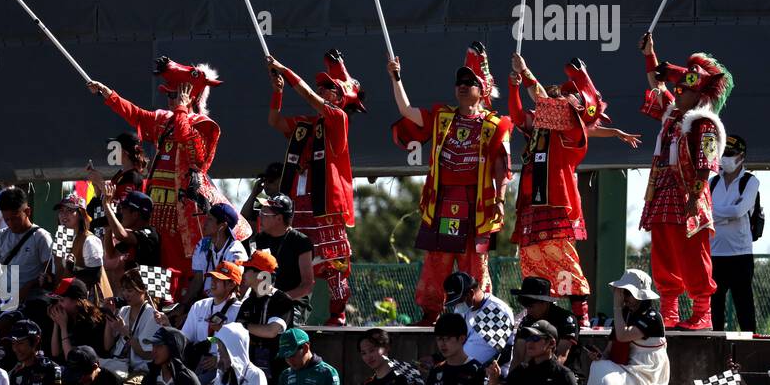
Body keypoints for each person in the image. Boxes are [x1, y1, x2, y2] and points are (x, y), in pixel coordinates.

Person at [89, 56, 247, 288]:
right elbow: (137, 115)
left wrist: (183, 107)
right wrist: (108, 95)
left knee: (183, 264)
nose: (170, 100)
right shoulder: (165, 120)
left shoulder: (204, 125)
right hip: (158, 208)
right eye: (169, 95)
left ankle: (186, 303)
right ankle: (160, 304)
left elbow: (185, 136)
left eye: (175, 95)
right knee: (155, 261)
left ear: (189, 96)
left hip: (186, 210)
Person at [508, 54, 639, 324]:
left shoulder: (569, 129)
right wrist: (513, 86)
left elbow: (543, 101)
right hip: (531, 204)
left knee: (564, 259)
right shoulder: (541, 130)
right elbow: (519, 115)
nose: (555, 104)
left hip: (557, 202)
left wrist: (525, 71)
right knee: (531, 259)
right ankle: (539, 315)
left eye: (564, 99)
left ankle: (581, 318)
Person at [389, 41, 513, 325]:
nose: (462, 86)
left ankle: (479, 315)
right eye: (459, 82)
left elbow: (502, 166)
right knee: (439, 257)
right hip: (444, 201)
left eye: (469, 82)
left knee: (474, 260)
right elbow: (407, 111)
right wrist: (396, 77)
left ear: (482, 91)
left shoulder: (495, 124)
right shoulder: (442, 117)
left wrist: (500, 200)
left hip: (478, 204)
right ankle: (431, 313)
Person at [636, 33, 731, 330]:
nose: (677, 94)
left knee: (692, 255)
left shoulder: (704, 123)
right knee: (663, 252)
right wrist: (649, 55)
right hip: (662, 193)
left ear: (699, 96)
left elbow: (706, 164)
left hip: (688, 195)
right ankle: (670, 312)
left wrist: (693, 195)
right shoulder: (672, 117)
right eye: (678, 90)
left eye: (684, 90)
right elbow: (658, 85)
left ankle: (702, 313)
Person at [266, 49, 365, 326]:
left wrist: (285, 69)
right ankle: (289, 312)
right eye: (322, 86)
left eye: (329, 88)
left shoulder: (338, 120)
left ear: (342, 97)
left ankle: (338, 314)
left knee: (333, 259)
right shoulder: (305, 125)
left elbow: (310, 97)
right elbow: (274, 121)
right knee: (294, 256)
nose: (322, 90)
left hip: (324, 202)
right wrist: (278, 92)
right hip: (297, 201)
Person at [582, 270, 669, 385]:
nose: (623, 297)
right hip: (628, 370)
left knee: (602, 372)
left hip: (647, 378)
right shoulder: (624, 316)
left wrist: (616, 307)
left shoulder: (652, 317)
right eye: (622, 293)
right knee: (597, 366)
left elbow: (623, 336)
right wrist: (600, 356)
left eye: (627, 293)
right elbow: (608, 352)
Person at [709, 134, 762, 332]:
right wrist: (727, 213)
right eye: (723, 153)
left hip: (740, 255)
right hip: (715, 254)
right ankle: (716, 349)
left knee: (744, 308)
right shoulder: (712, 182)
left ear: (741, 157)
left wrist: (716, 213)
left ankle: (751, 348)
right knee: (715, 308)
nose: (725, 158)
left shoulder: (750, 181)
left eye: (730, 154)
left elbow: (739, 211)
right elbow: (704, 212)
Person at [235, 250, 294, 385]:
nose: (244, 273)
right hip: (249, 369)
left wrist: (244, 326)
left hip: (276, 371)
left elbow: (271, 331)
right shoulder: (248, 302)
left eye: (248, 269)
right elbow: (237, 333)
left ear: (261, 275)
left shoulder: (282, 300)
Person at [249, 194, 315, 325]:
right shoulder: (258, 240)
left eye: (264, 214)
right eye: (260, 213)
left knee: (278, 326)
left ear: (278, 218)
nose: (259, 217)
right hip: (263, 300)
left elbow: (307, 285)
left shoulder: (301, 241)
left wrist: (279, 298)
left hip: (292, 303)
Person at [0, 186, 53, 307]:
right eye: (6, 219)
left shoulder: (41, 238)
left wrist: (30, 286)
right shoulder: (0, 236)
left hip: (29, 301)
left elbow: (50, 275)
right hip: (3, 299)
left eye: (15, 219)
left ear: (27, 212)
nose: (10, 223)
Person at [443, 270, 516, 367]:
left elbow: (470, 359)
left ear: (470, 294)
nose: (456, 306)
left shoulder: (497, 312)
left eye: (458, 301)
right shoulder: (463, 309)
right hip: (466, 370)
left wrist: (441, 365)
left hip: (491, 377)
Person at [98, 267, 159, 379]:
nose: (126, 294)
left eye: (130, 290)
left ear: (143, 290)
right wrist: (109, 316)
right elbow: (107, 346)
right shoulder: (124, 310)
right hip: (117, 363)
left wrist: (126, 333)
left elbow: (146, 354)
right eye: (124, 290)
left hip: (136, 368)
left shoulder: (153, 316)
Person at [510, 276, 581, 373]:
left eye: (531, 305)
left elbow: (562, 356)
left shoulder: (566, 319)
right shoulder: (527, 320)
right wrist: (511, 381)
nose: (528, 310)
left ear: (545, 303)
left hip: (563, 376)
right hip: (533, 375)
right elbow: (518, 355)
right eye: (525, 305)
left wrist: (542, 379)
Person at [100, 187, 161, 293]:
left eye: (124, 208)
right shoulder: (133, 235)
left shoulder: (150, 234)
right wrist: (109, 229)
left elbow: (121, 235)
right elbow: (111, 254)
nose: (121, 212)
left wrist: (107, 205)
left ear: (135, 214)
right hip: (135, 292)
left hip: (150, 295)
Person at [186, 201, 247, 305]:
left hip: (228, 304)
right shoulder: (203, 244)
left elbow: (231, 291)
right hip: (207, 302)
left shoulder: (236, 252)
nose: (204, 223)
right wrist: (183, 306)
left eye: (210, 219)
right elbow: (197, 280)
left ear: (222, 226)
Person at [180, 261, 243, 361]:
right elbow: (184, 338)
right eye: (213, 278)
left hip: (225, 367)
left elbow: (241, 346)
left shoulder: (240, 310)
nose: (213, 282)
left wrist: (219, 359)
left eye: (219, 279)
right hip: (197, 360)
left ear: (231, 285)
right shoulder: (199, 305)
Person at [51, 192, 106, 295]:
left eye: (70, 210)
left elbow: (95, 276)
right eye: (61, 210)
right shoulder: (61, 238)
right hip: (62, 298)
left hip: (84, 301)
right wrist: (48, 281)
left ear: (81, 215)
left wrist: (74, 269)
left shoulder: (90, 240)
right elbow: (58, 274)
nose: (64, 214)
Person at [47, 277, 106, 361]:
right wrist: (56, 323)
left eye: (62, 301)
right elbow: (55, 353)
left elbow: (71, 358)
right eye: (58, 301)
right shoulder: (68, 318)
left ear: (77, 302)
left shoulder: (89, 323)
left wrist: (63, 327)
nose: (58, 305)